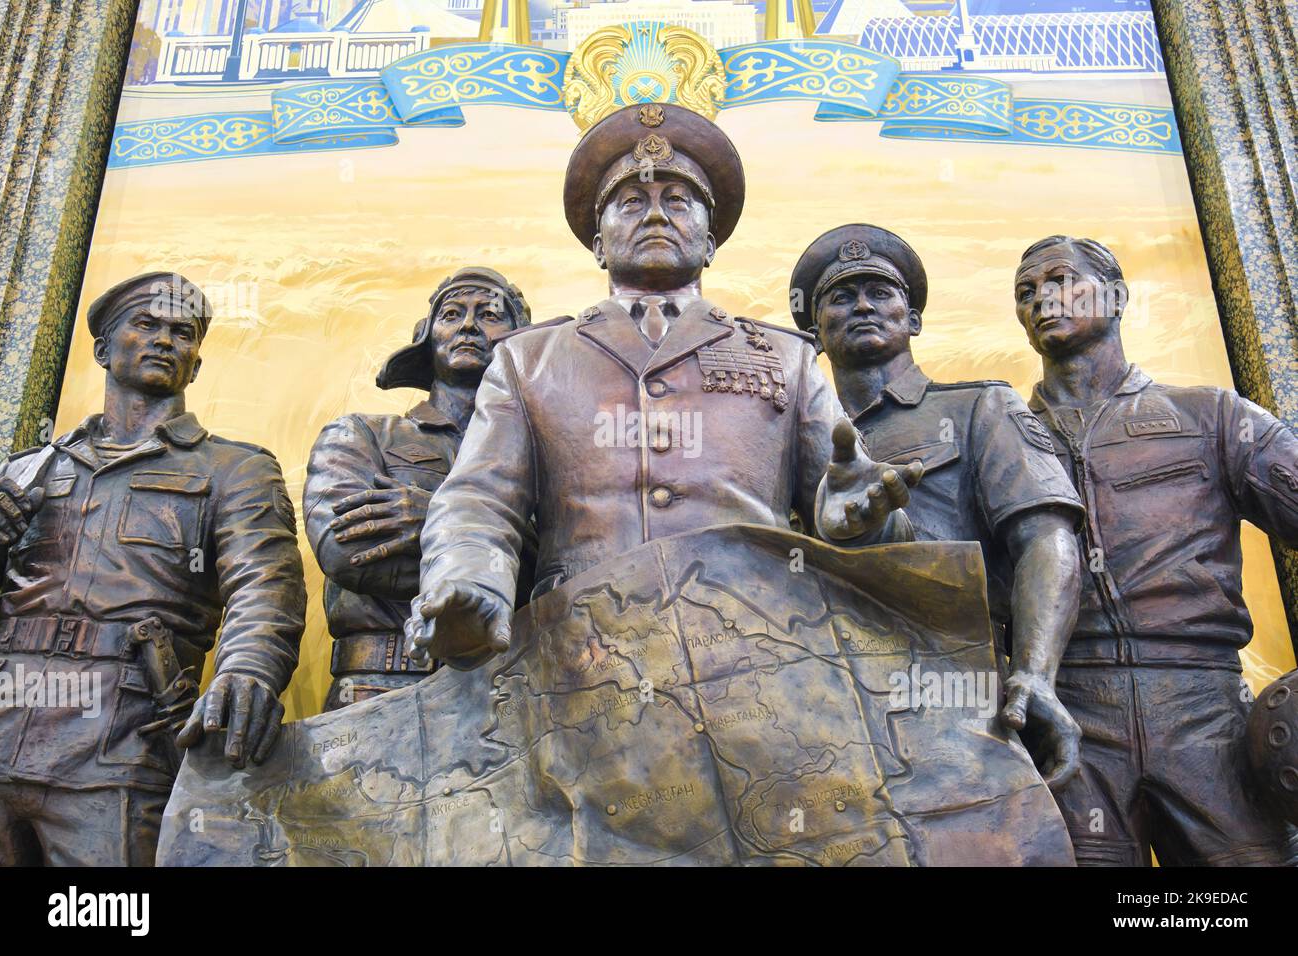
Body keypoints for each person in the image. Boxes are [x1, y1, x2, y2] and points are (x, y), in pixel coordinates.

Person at [405, 103, 921, 669]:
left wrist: (866, 524)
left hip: (756, 654)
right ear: (599, 244)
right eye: (632, 203)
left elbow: (852, 506)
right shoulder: (529, 360)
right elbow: (480, 500)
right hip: (584, 657)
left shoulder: (786, 358)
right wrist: (471, 579)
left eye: (678, 202)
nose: (656, 214)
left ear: (710, 242)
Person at [0, 272, 306, 865]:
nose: (165, 339)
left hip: (120, 744)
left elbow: (265, 586)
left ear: (196, 362)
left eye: (181, 332)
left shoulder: (235, 470)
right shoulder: (26, 469)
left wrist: (249, 670)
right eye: (146, 324)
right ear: (103, 349)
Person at [1016, 234, 1298, 865]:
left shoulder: (1213, 417)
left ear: (1117, 297)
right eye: (1026, 292)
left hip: (1206, 716)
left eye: (1061, 280)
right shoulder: (1003, 435)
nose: (1042, 300)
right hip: (1069, 721)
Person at [790, 223, 1085, 788]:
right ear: (813, 330)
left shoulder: (981, 406)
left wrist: (1036, 673)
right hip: (828, 712)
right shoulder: (796, 442)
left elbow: (1046, 539)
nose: (863, 306)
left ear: (915, 319)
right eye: (841, 297)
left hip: (961, 694)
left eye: (881, 293)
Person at [304, 267, 532, 710]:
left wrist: (433, 517)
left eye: (489, 314)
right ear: (426, 335)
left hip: (514, 695)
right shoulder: (362, 436)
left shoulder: (545, 458)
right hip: (380, 689)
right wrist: (503, 554)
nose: (469, 326)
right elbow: (345, 550)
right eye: (452, 313)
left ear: (519, 339)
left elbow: (560, 576)